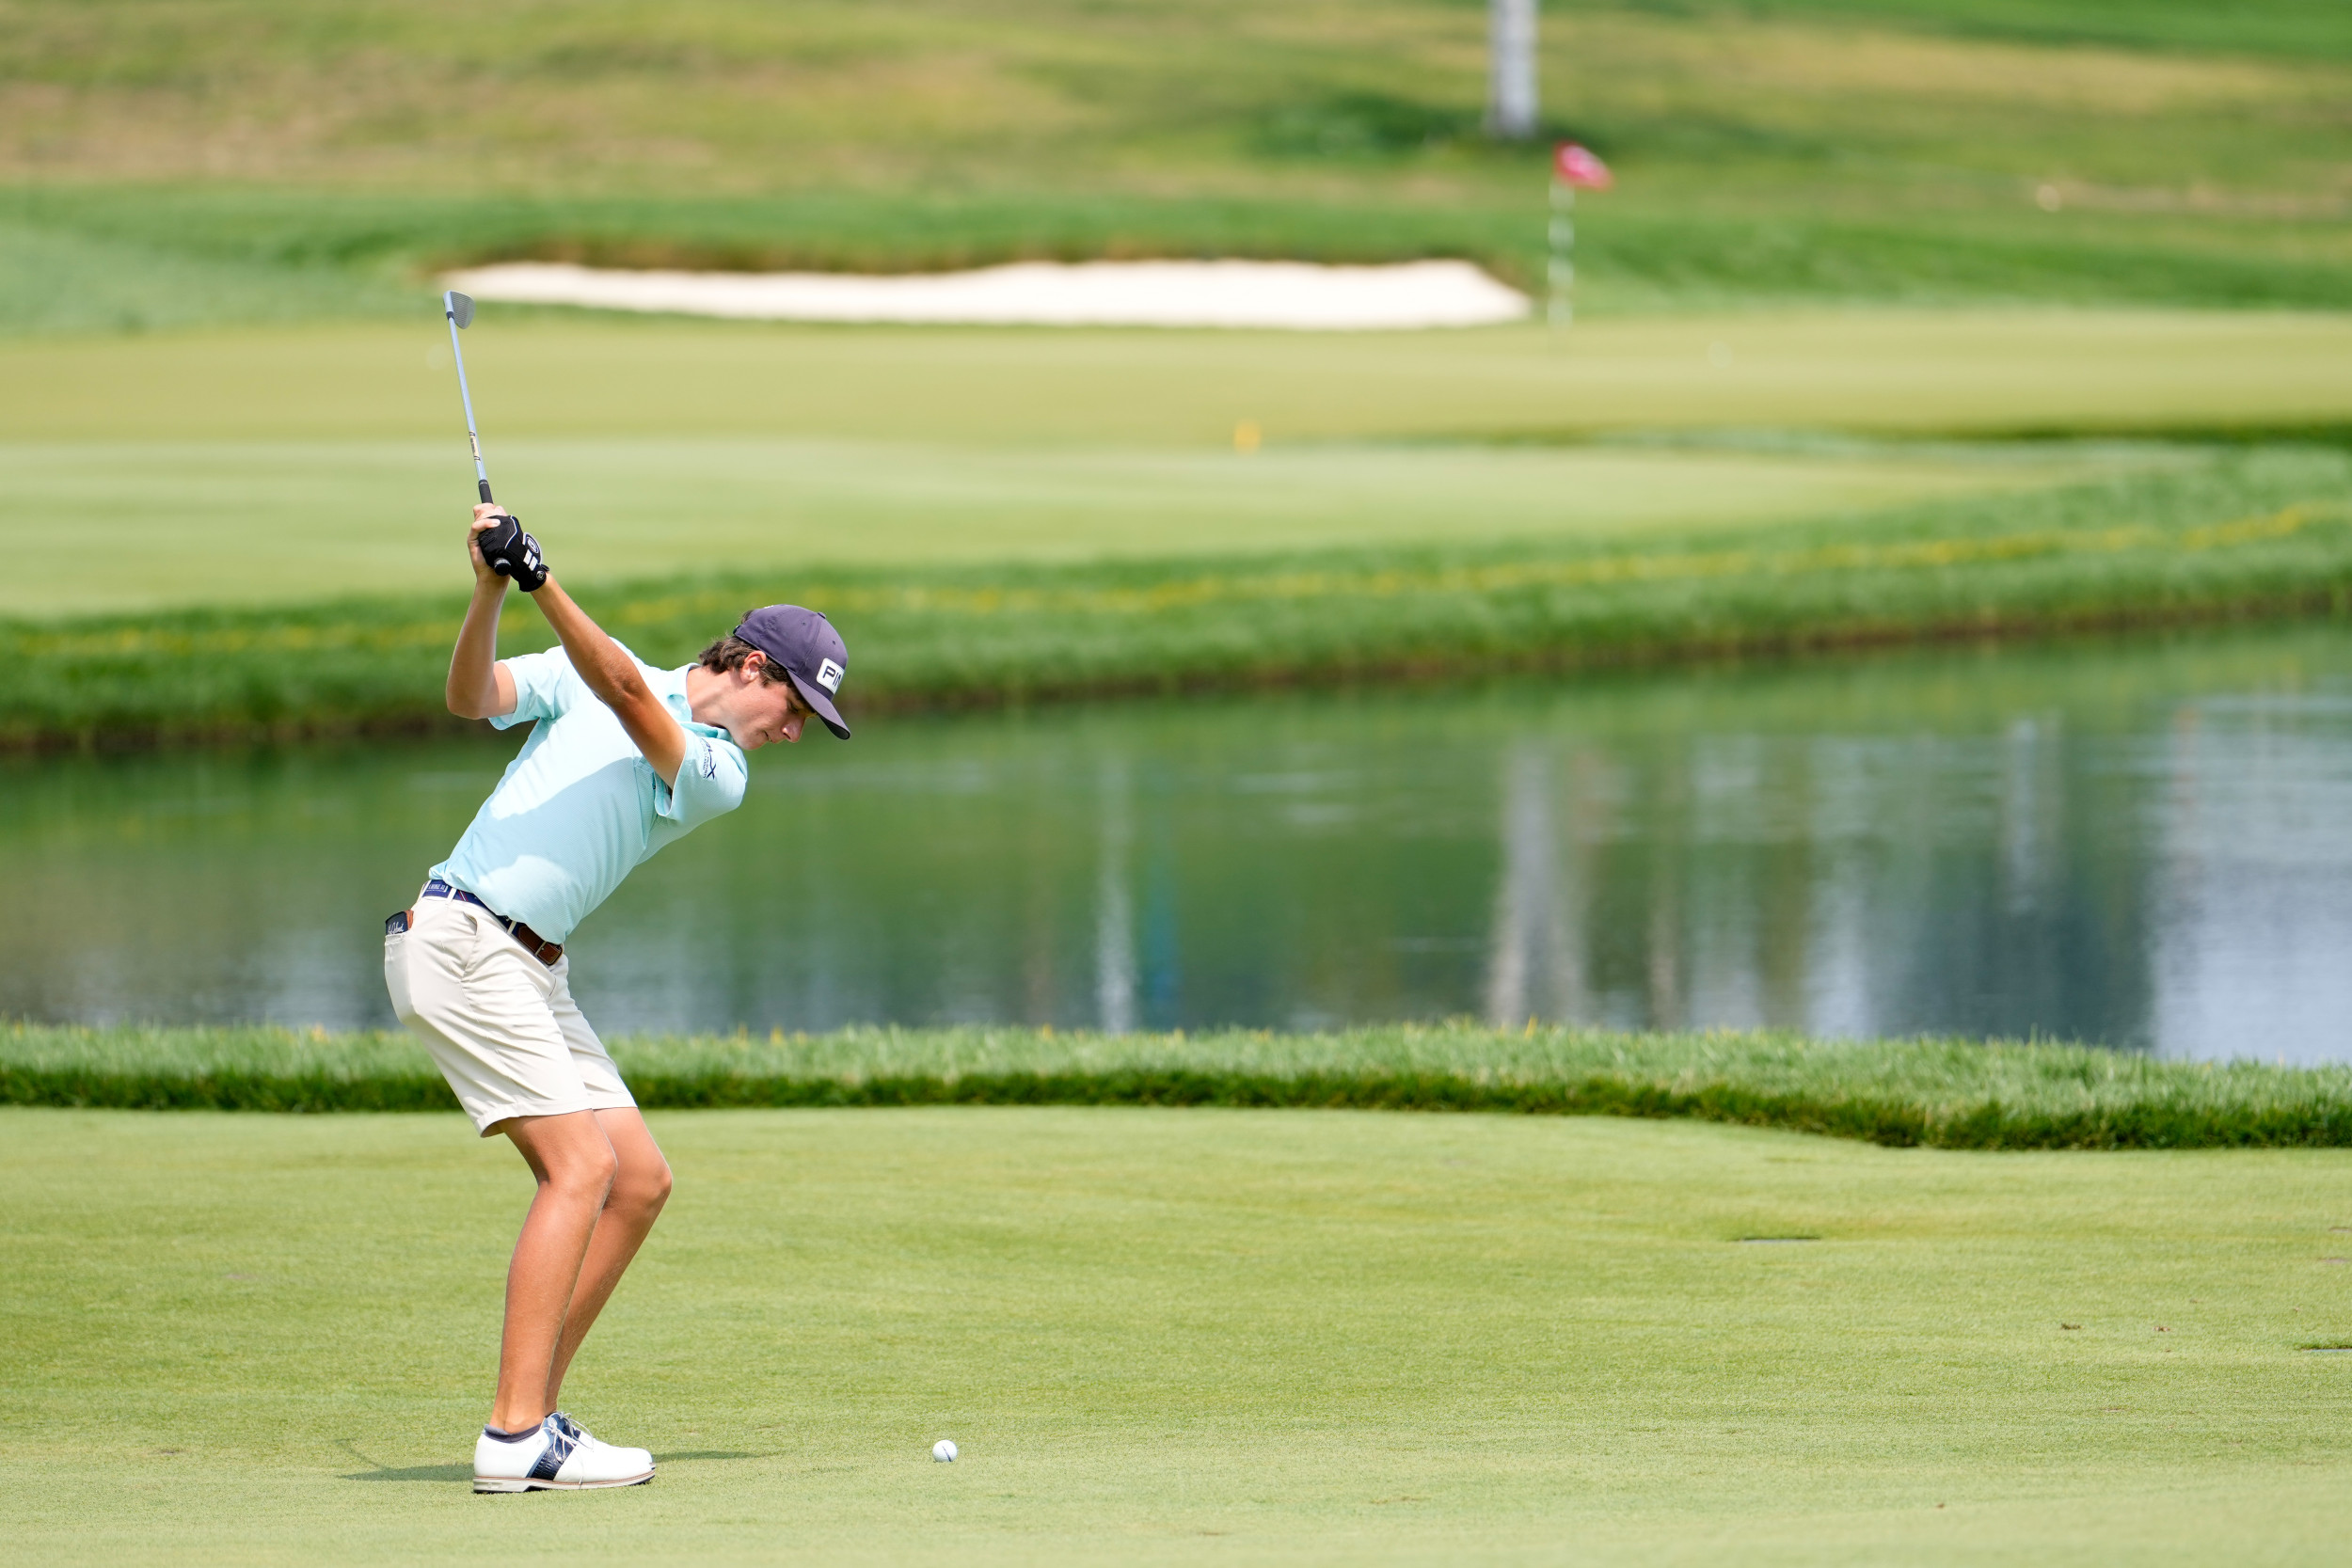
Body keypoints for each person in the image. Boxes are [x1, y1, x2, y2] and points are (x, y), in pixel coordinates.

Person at [384, 503, 850, 1493]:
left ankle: (535, 1413)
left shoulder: (717, 768)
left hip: (532, 967)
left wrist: (539, 576)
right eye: (798, 709)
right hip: (464, 939)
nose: (794, 734)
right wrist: (490, 588)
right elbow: (474, 695)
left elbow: (632, 693)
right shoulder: (599, 673)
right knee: (580, 1166)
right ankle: (514, 1438)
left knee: (635, 1177)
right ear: (757, 669)